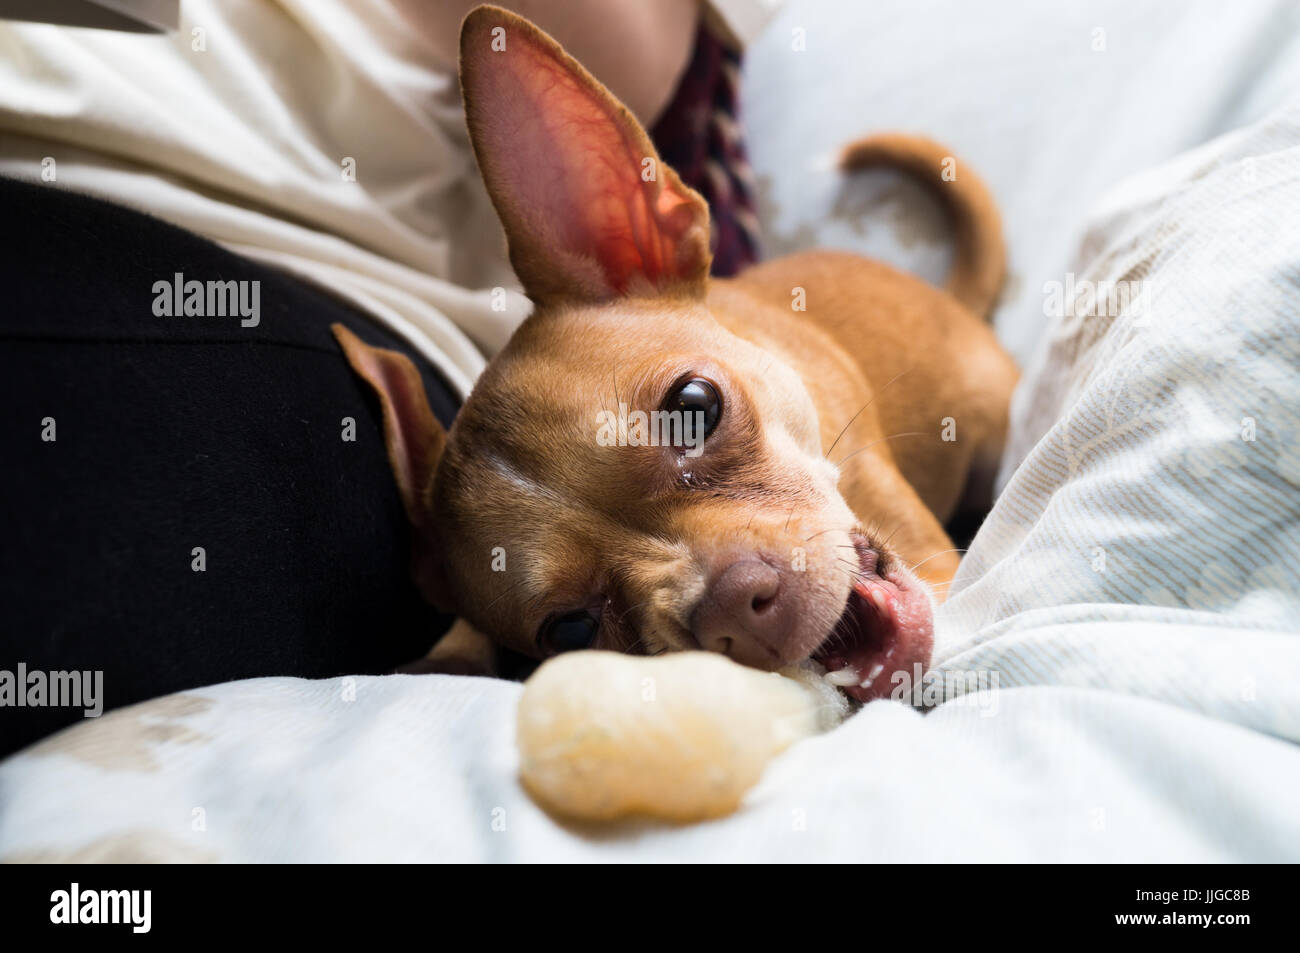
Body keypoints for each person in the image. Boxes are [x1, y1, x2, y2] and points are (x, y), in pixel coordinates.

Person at [0, 0, 772, 755]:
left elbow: (621, 65)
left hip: (312, 262)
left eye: (697, 416)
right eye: (570, 628)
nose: (724, 601)